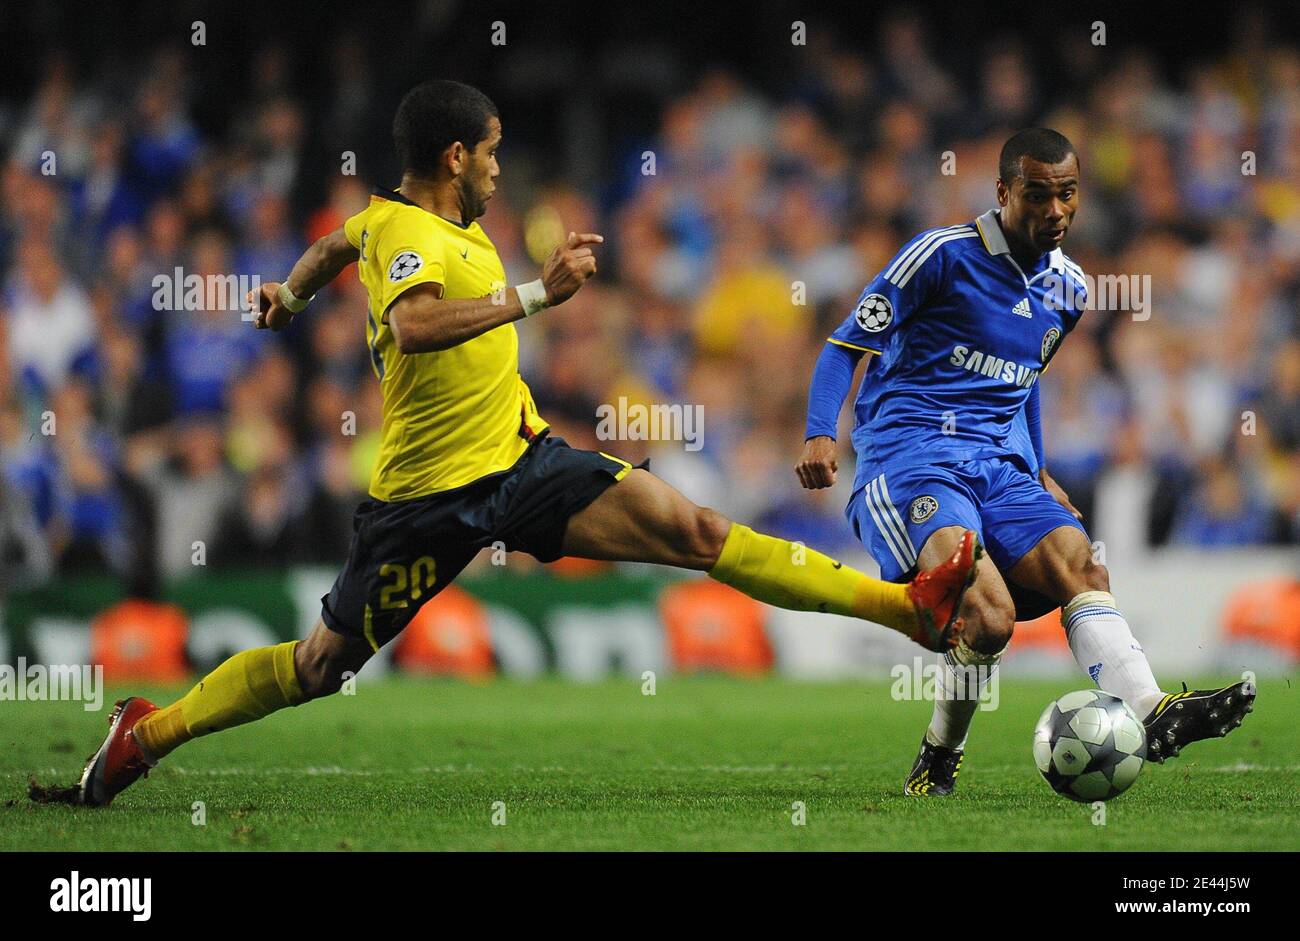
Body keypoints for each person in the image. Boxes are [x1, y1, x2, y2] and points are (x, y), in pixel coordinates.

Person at [77, 80, 981, 807]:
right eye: (494, 151)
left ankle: (911, 609)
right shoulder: (408, 231)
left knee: (698, 532)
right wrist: (538, 294)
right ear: (455, 154)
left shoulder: (382, 222)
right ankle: (146, 734)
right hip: (428, 501)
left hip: (524, 460)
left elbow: (329, 247)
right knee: (320, 665)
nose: (502, 170)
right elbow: (421, 324)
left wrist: (289, 294)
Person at [797, 128, 1255, 797]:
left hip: (998, 465)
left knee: (1082, 561)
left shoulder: (1069, 288)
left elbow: (1024, 376)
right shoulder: (939, 255)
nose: (1056, 210)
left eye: (1068, 193)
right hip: (910, 459)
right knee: (990, 616)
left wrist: (1037, 467)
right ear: (1005, 191)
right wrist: (818, 433)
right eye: (1039, 195)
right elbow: (846, 344)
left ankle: (1151, 711)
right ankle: (939, 758)